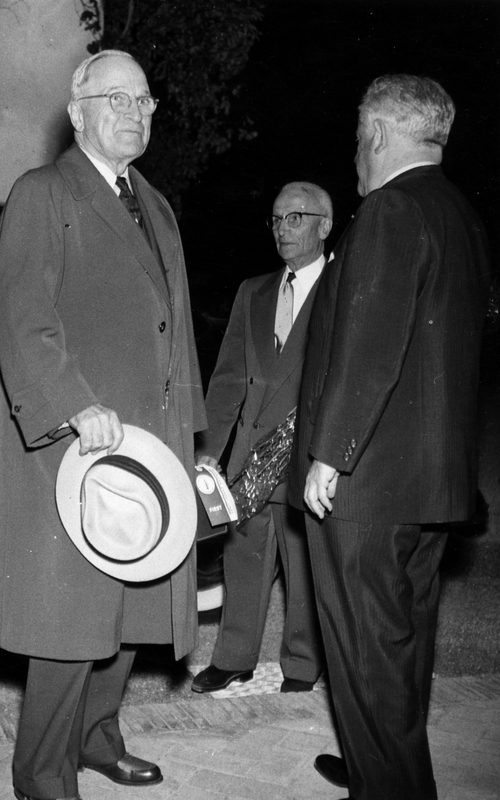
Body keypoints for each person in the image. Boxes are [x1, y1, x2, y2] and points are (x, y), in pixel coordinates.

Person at [0, 50, 206, 800]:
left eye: (144, 100)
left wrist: (190, 436)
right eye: (116, 97)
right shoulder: (43, 192)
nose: (134, 111)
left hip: (147, 446)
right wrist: (72, 404)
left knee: (132, 607)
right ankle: (42, 773)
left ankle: (97, 738)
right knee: (70, 624)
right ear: (76, 112)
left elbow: (173, 329)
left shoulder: (156, 202)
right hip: (73, 445)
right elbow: (22, 315)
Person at [289, 75, 490, 800]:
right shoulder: (458, 213)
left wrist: (328, 455)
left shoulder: (389, 209)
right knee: (400, 651)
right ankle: (385, 764)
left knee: (366, 654)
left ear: (374, 136)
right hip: (430, 484)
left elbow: (371, 345)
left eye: (355, 140)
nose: (354, 155)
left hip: (369, 484)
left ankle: (390, 785)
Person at [191, 182, 330, 694]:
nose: (283, 229)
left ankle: (300, 665)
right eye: (276, 220)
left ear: (324, 225)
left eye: (296, 217)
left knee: (303, 568)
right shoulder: (254, 290)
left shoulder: (342, 289)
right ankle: (233, 657)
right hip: (248, 458)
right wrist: (207, 452)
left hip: (304, 457)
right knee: (242, 559)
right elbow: (228, 377)